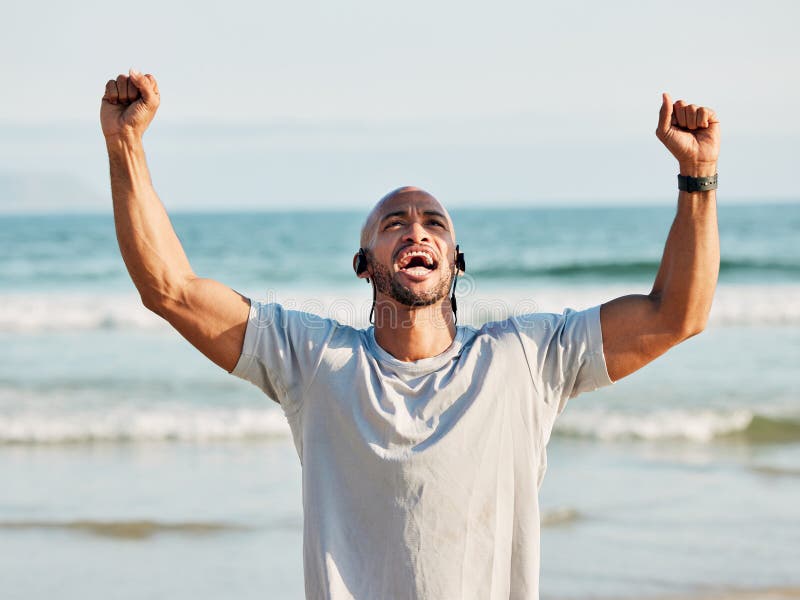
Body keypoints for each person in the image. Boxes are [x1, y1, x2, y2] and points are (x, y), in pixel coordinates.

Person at [101, 69, 720, 600]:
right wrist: (125, 145)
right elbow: (171, 290)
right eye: (395, 223)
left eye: (434, 225)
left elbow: (675, 315)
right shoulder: (314, 361)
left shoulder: (525, 359)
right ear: (364, 262)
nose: (416, 231)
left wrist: (698, 178)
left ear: (455, 261)